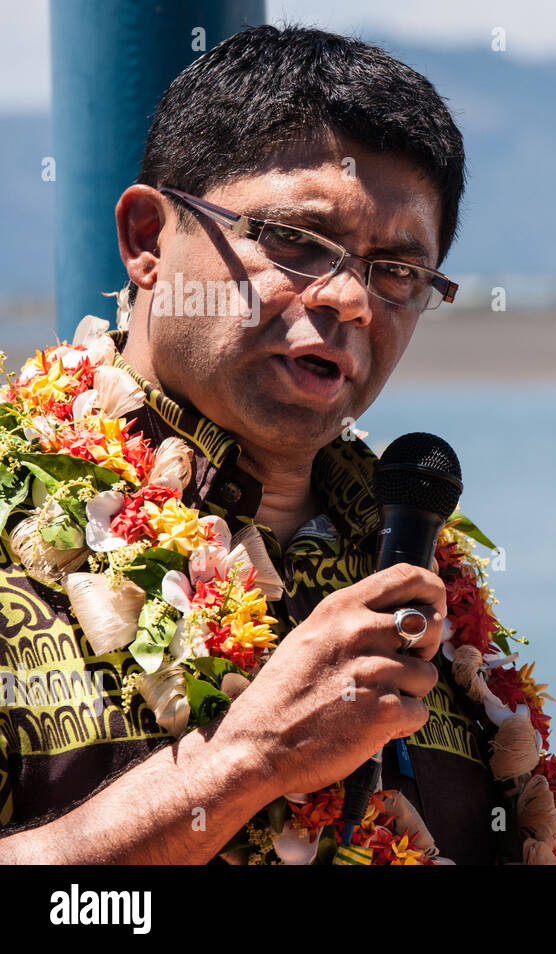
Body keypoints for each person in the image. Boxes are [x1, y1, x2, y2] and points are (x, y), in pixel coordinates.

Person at [0, 25, 523, 864]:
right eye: (296, 240)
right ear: (148, 240)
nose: (351, 299)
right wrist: (247, 759)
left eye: (398, 271)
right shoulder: (13, 522)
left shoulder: (434, 600)